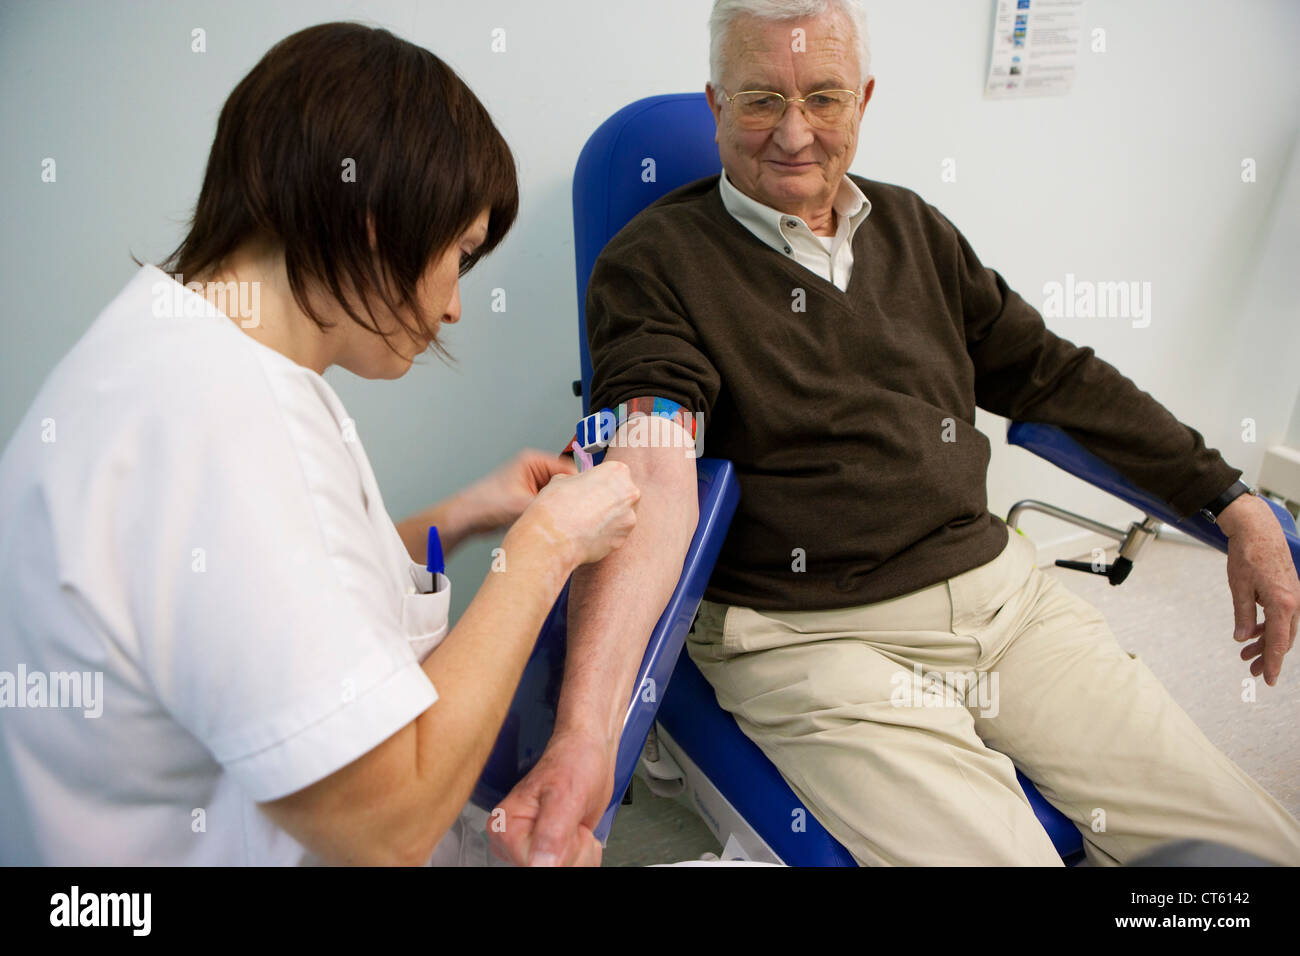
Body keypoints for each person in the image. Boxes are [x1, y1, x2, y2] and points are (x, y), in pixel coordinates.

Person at [490, 0, 1300, 866]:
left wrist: (1230, 499)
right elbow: (649, 468)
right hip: (812, 639)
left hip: (1004, 602)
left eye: (823, 97)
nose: (794, 133)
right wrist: (584, 735)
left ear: (864, 100)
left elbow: (1055, 374)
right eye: (761, 99)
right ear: (716, 105)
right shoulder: (656, 263)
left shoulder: (914, 229)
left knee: (1250, 851)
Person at [0, 22, 638, 866]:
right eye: (461, 253)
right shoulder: (226, 423)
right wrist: (547, 546)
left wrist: (462, 515)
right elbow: (386, 826)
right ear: (376, 221)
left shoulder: (168, 354)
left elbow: (278, 601)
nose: (454, 305)